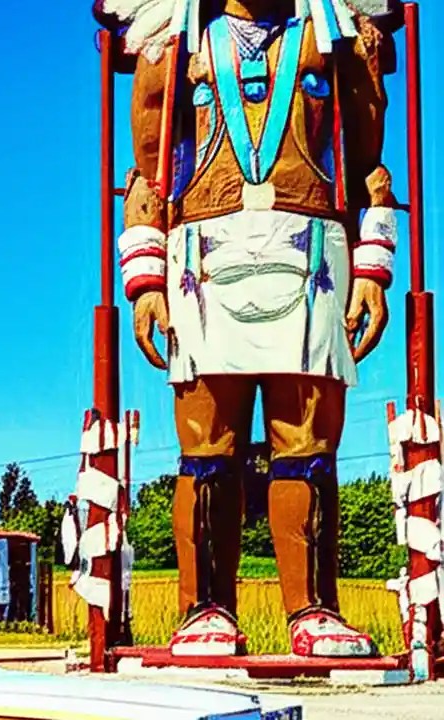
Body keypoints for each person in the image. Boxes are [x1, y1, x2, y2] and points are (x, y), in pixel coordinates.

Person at [98, 0, 400, 656]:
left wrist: (373, 266)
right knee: (207, 442)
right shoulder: (173, 43)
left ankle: (314, 608)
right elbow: (149, 170)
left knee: (308, 439)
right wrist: (147, 278)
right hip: (204, 253)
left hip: (312, 247)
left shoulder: (336, 37)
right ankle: (205, 608)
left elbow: (367, 160)